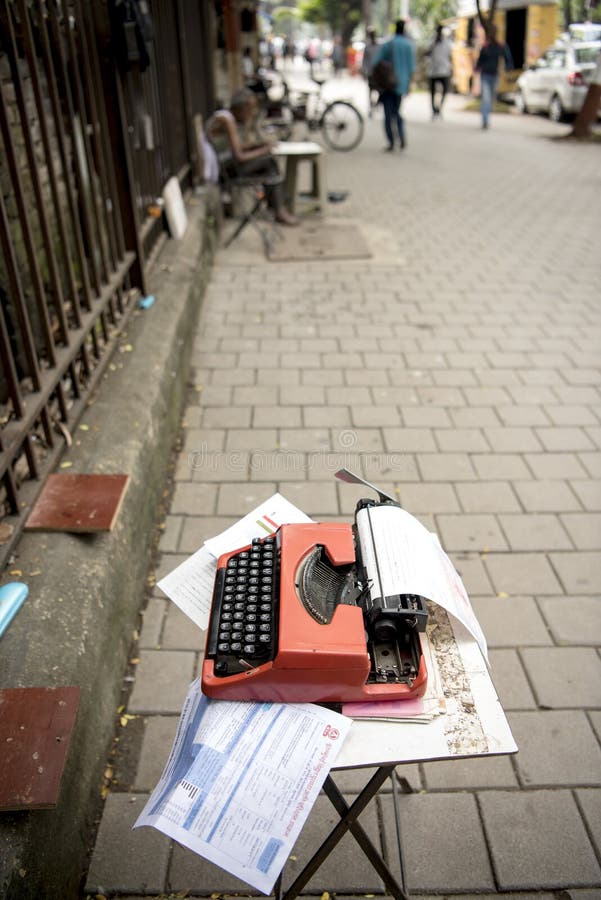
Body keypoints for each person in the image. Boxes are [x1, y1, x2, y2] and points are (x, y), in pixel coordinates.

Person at [206, 89, 298, 226]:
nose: (251, 113)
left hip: (228, 166)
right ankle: (278, 208)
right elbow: (240, 156)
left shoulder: (226, 118)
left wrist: (259, 145)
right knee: (269, 163)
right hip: (227, 172)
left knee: (270, 165)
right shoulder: (226, 120)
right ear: (240, 108)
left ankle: (277, 207)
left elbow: (238, 147)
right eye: (249, 109)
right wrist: (264, 150)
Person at [373, 19, 416, 151]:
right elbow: (412, 68)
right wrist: (409, 84)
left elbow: (376, 62)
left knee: (388, 114)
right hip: (401, 84)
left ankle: (391, 142)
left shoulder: (389, 44)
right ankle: (401, 135)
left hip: (388, 84)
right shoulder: (409, 45)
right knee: (396, 112)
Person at [474, 23, 513, 129]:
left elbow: (507, 57)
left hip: (495, 76)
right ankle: (485, 120)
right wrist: (476, 69)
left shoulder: (500, 45)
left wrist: (508, 67)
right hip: (485, 76)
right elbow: (480, 61)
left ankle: (486, 114)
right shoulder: (485, 46)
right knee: (486, 99)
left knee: (491, 99)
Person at [425, 24, 452, 118]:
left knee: (445, 91)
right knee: (432, 92)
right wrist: (433, 45)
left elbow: (450, 55)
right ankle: (434, 110)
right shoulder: (432, 42)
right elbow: (427, 53)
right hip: (433, 70)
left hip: (444, 70)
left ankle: (439, 108)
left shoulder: (447, 42)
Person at [362, 27, 379, 117]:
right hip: (371, 73)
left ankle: (376, 105)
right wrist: (365, 72)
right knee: (371, 91)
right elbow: (364, 61)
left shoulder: (379, 45)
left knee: (380, 91)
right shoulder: (367, 47)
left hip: (379, 73)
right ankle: (371, 108)